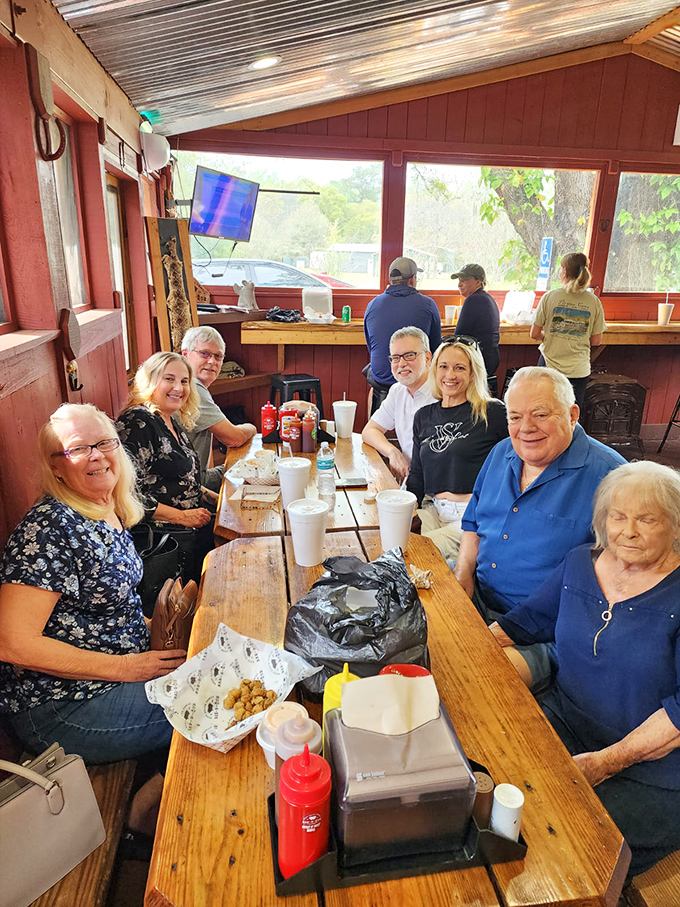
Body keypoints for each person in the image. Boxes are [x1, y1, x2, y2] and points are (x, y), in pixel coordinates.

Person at [490, 461, 680, 877]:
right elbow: (521, 623)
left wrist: (605, 763)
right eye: (618, 516)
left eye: (646, 519)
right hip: (567, 719)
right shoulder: (580, 563)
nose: (628, 530)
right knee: (495, 788)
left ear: (676, 527)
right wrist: (462, 646)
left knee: (572, 848)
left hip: (654, 769)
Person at [0, 403, 185, 766]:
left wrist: (154, 628)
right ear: (56, 466)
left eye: (104, 443)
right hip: (63, 705)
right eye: (78, 448)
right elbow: (12, 643)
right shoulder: (49, 528)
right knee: (208, 705)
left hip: (120, 669)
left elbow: (106, 605)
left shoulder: (105, 506)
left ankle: (148, 802)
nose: (96, 456)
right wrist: (128, 668)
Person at [455, 366, 625, 690]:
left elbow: (622, 582)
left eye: (540, 414)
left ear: (572, 414)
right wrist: (463, 571)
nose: (526, 428)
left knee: (475, 681)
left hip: (550, 631)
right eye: (515, 417)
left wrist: (502, 633)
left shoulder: (612, 478)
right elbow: (474, 520)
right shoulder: (501, 452)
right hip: (479, 597)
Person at [406, 336, 508, 562]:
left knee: (419, 555)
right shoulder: (423, 416)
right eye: (443, 367)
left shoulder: (492, 412)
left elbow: (520, 459)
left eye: (459, 368)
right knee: (395, 544)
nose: (450, 375)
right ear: (435, 370)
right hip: (433, 508)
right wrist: (403, 510)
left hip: (472, 516)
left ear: (473, 374)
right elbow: (417, 474)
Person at [116, 352, 213, 585]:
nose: (178, 388)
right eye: (169, 379)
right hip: (166, 539)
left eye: (184, 381)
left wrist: (217, 498)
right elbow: (125, 494)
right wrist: (182, 517)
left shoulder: (169, 419)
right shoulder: (139, 422)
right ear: (149, 381)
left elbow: (182, 478)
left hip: (191, 526)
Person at [181, 326, 257, 492]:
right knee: (258, 471)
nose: (212, 361)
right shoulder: (192, 387)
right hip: (190, 484)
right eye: (205, 354)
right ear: (185, 355)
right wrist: (252, 428)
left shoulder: (191, 384)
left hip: (191, 477)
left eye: (218, 356)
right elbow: (234, 438)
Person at [364, 257, 442, 413]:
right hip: (416, 377)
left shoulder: (372, 305)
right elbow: (435, 349)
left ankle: (373, 425)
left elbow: (371, 347)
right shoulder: (428, 304)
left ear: (390, 280)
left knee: (373, 377)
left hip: (382, 377)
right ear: (413, 279)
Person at [529, 251, 605, 412]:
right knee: (570, 416)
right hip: (578, 370)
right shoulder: (594, 302)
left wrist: (550, 338)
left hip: (549, 366)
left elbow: (534, 333)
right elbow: (596, 341)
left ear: (564, 271)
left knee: (543, 412)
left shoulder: (550, 297)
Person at [361, 327, 436, 482]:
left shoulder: (443, 394)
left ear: (428, 358)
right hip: (410, 483)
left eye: (409, 355)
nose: (401, 363)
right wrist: (392, 452)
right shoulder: (398, 391)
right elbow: (370, 430)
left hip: (438, 490)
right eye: (395, 358)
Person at [450, 264, 500, 380]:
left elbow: (458, 337)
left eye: (464, 280)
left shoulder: (473, 300)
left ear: (478, 282)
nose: (459, 284)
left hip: (478, 362)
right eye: (459, 280)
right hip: (490, 359)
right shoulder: (488, 299)